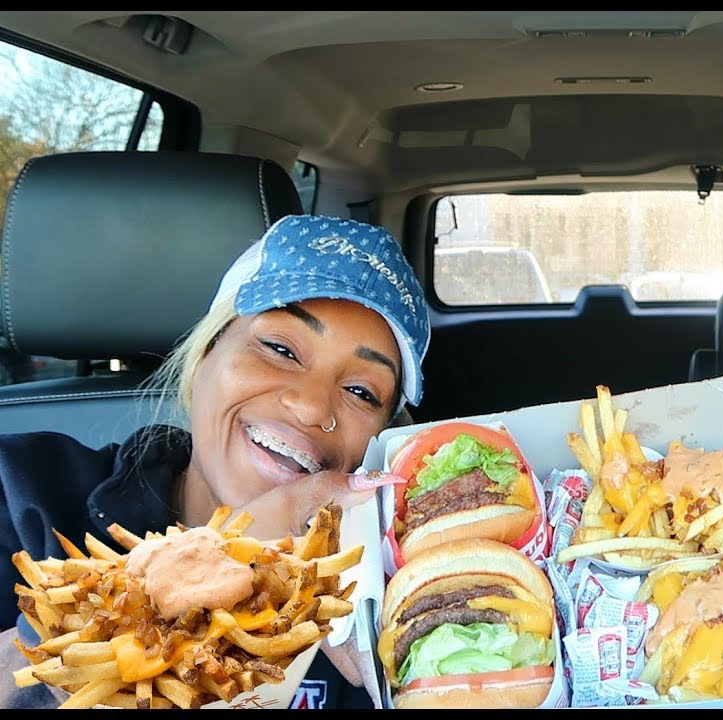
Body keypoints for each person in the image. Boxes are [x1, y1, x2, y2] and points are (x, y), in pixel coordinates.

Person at [0, 214, 432, 709]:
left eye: (361, 391)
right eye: (279, 348)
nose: (313, 407)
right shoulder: (23, 487)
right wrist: (222, 563)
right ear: (205, 351)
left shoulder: (390, 605)